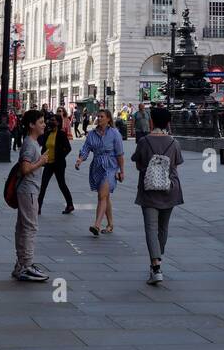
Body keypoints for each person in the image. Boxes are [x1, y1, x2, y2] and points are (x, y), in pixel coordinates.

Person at [132, 104, 183, 285]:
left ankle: (155, 266)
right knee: (163, 227)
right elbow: (176, 163)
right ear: (168, 122)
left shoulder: (143, 142)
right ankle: (158, 259)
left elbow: (137, 163)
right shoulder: (174, 143)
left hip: (149, 189)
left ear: (151, 121)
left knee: (151, 228)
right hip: (170, 189)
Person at [11, 109, 50, 282]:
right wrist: (40, 162)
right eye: (41, 122)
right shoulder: (29, 143)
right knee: (30, 227)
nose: (44, 125)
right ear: (31, 125)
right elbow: (25, 168)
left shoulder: (32, 142)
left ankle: (21, 264)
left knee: (23, 227)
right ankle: (26, 265)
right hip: (29, 190)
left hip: (29, 190)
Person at [76, 108, 125, 236]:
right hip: (97, 166)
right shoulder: (92, 134)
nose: (99, 118)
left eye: (102, 116)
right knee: (105, 196)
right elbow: (86, 148)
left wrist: (122, 171)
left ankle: (97, 225)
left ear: (108, 119)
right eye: (98, 116)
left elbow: (120, 154)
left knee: (101, 196)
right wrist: (80, 160)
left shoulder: (115, 133)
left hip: (111, 166)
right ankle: (110, 224)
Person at [37, 114, 75, 215]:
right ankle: (38, 207)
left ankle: (70, 205)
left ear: (58, 122)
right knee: (43, 185)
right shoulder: (48, 133)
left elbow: (68, 148)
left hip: (58, 164)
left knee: (62, 184)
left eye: (53, 120)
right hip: (48, 164)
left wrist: (60, 157)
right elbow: (42, 145)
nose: (50, 122)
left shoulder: (61, 134)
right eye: (50, 120)